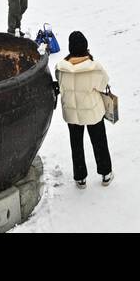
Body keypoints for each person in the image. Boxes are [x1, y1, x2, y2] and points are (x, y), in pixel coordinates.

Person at [54, 31, 113, 188]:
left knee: (76, 144)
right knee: (99, 142)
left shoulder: (60, 68)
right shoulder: (94, 68)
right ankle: (106, 173)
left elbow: (59, 86)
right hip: (92, 112)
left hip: (71, 113)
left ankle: (80, 177)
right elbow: (104, 85)